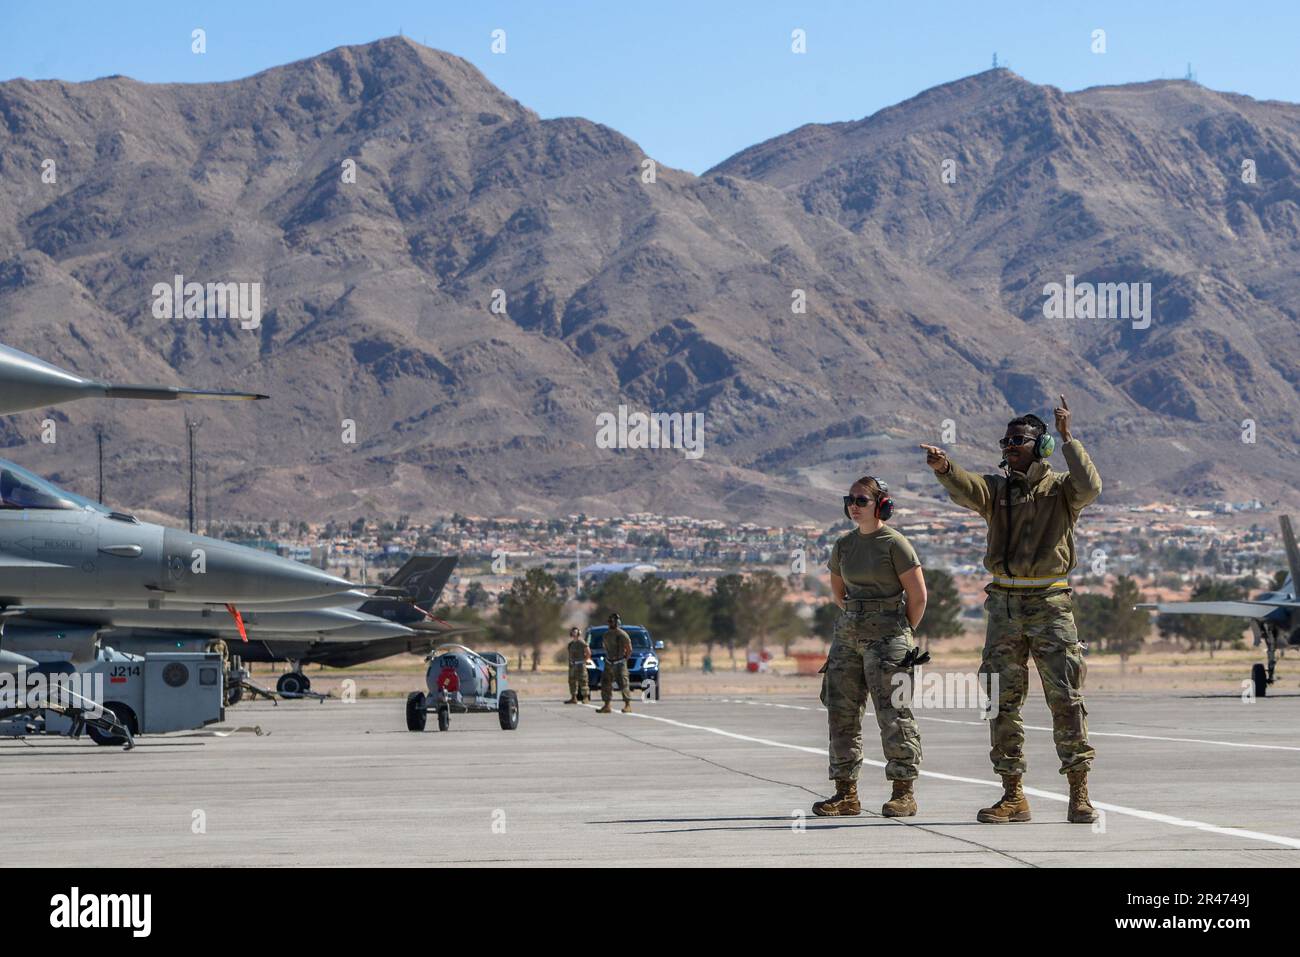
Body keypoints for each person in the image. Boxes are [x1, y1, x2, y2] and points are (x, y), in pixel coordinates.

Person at [921, 395, 1101, 824]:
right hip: (1003, 604)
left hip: (1050, 604)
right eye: (1006, 440)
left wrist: (1068, 438)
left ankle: (1079, 793)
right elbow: (968, 488)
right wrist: (946, 469)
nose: (1009, 447)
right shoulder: (998, 491)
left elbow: (1091, 486)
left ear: (1041, 447)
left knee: (1066, 699)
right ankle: (1013, 795)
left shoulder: (1061, 490)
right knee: (1001, 701)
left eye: (1018, 440)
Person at [812, 476, 927, 818]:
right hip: (848, 637)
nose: (853, 505)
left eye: (861, 500)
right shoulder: (843, 545)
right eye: (849, 499)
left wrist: (899, 634)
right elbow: (838, 592)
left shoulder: (896, 544)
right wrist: (856, 620)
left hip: (889, 637)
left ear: (881, 505)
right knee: (841, 715)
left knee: (894, 716)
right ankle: (846, 794)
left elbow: (918, 597)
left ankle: (903, 793)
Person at [597, 613, 633, 714]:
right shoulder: (606, 634)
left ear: (617, 622)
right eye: (609, 622)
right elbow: (605, 646)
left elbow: (629, 649)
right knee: (606, 683)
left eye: (612, 621)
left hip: (619, 662)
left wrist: (624, 659)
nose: (610, 623)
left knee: (623, 683)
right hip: (609, 662)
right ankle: (607, 705)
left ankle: (627, 705)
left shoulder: (622, 634)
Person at [564, 627, 591, 704]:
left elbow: (588, 653)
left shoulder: (582, 643)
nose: (574, 634)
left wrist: (584, 661)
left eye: (575, 632)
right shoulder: (571, 644)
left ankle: (585, 697)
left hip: (580, 665)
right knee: (572, 681)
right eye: (573, 632)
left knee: (583, 681)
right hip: (573, 665)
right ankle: (573, 697)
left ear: (579, 633)